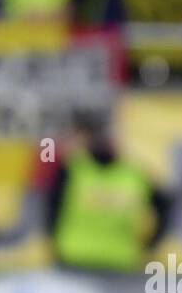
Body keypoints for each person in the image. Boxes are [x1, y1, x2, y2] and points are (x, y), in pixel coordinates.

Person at [45, 112, 170, 272]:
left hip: (80, 256)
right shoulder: (135, 174)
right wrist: (150, 245)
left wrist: (151, 245)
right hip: (109, 259)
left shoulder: (73, 168)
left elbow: (50, 207)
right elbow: (165, 207)